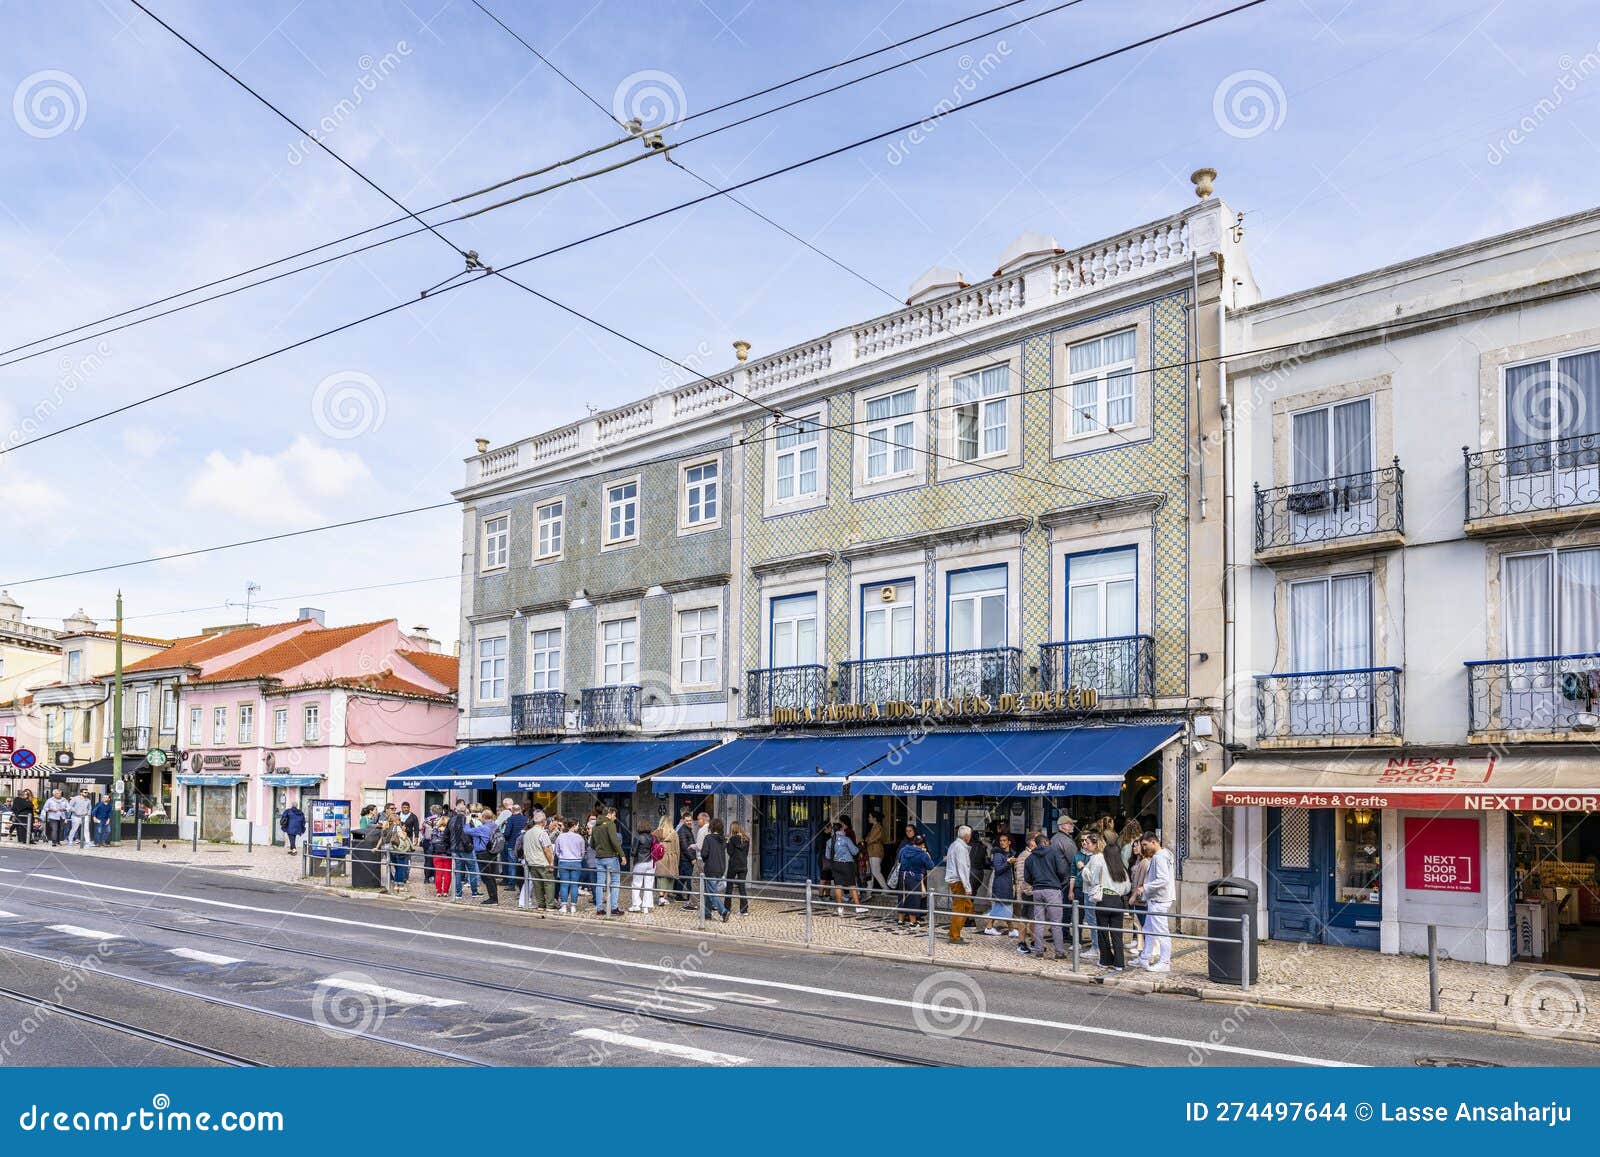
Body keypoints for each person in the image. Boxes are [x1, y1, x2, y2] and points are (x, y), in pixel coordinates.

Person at [1021, 830, 1069, 959]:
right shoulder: (1054, 853)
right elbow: (1062, 870)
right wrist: (1060, 882)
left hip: (1037, 890)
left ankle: (1039, 951)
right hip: (1053, 890)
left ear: (1036, 844)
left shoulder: (1030, 858)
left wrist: (1036, 882)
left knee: (1039, 922)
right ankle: (1059, 952)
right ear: (1046, 842)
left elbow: (1027, 878)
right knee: (1056, 923)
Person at [1132, 832, 1175, 972]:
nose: (1144, 848)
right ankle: (1144, 957)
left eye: (1145, 845)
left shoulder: (1159, 857)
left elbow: (1163, 880)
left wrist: (1145, 887)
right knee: (1148, 929)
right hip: (1159, 898)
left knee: (1161, 931)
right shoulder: (1166, 854)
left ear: (1153, 842)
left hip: (1159, 899)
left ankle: (1165, 962)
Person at [1092, 836, 1131, 971]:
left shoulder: (1102, 866)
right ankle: (1119, 963)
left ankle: (1105, 960)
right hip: (1117, 901)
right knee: (1117, 934)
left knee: (1103, 932)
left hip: (1104, 900)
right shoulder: (1123, 870)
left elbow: (1094, 880)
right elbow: (1127, 888)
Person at [589, 806, 626, 916]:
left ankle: (599, 909)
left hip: (599, 859)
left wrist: (600, 850)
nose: (615, 818)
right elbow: (615, 841)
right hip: (611, 858)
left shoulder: (595, 826)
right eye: (614, 815)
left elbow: (591, 844)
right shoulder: (610, 824)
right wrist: (622, 855)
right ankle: (614, 908)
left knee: (599, 884)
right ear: (610, 814)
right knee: (615, 882)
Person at [983, 832, 1020, 937]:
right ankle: (1009, 930)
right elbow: (998, 869)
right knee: (1005, 906)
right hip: (1001, 885)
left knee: (1004, 907)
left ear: (1009, 842)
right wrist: (1009, 862)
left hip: (1007, 884)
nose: (1002, 843)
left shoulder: (1010, 853)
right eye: (1000, 841)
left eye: (1004, 840)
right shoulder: (998, 854)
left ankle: (992, 928)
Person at [826, 822, 866, 914]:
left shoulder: (829, 841)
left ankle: (840, 908)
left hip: (835, 865)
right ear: (841, 829)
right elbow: (855, 852)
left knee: (838, 886)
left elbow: (828, 856)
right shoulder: (846, 839)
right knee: (852, 885)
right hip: (847, 865)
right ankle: (858, 907)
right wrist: (860, 846)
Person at [895, 834, 934, 926]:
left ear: (913, 841)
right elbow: (930, 866)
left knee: (902, 897)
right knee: (914, 899)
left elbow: (899, 860)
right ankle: (913, 922)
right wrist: (928, 855)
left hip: (902, 876)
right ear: (923, 844)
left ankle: (901, 920)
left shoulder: (903, 849)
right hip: (915, 877)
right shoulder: (922, 854)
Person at [944, 825, 975, 944]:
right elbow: (962, 868)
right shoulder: (960, 848)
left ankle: (953, 931)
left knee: (968, 907)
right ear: (967, 836)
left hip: (956, 880)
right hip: (959, 882)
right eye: (970, 834)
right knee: (960, 909)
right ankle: (954, 937)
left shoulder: (954, 845)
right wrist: (967, 887)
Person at [520, 813, 556, 914]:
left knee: (537, 884)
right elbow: (547, 849)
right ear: (543, 821)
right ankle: (550, 905)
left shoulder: (527, 833)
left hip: (532, 862)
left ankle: (541, 904)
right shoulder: (542, 833)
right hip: (542, 862)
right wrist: (551, 862)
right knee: (549, 884)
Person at [699, 817, 730, 922]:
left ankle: (724, 911)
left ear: (711, 827)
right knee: (708, 891)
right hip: (721, 868)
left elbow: (704, 854)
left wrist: (706, 859)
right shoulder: (723, 840)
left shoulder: (708, 838)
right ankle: (707, 914)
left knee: (711, 893)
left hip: (711, 868)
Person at [447, 803, 480, 899]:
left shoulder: (451, 820)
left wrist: (449, 846)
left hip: (454, 848)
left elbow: (446, 834)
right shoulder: (467, 820)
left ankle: (458, 894)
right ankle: (474, 892)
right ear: (465, 811)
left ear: (456, 810)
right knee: (472, 869)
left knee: (457, 871)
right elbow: (473, 832)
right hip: (466, 848)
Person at [554, 820, 587, 914]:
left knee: (564, 884)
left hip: (564, 861)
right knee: (574, 884)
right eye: (577, 825)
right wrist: (578, 858)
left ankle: (564, 906)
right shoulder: (580, 838)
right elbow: (582, 852)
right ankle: (573, 906)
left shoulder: (560, 836)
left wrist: (561, 856)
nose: (578, 827)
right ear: (574, 825)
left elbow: (557, 851)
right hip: (576, 862)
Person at [1128, 836, 1152, 960]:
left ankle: (1146, 952)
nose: (1135, 847)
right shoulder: (1136, 861)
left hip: (1140, 898)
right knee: (1139, 924)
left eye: (1138, 845)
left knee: (1144, 925)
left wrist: (1133, 896)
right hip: (1136, 896)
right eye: (1134, 845)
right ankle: (1142, 949)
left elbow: (1141, 882)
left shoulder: (1145, 862)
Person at [470, 809, 499, 905]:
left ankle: (493, 898)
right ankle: (494, 897)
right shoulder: (495, 825)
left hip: (484, 853)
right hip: (493, 852)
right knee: (491, 876)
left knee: (487, 876)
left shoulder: (484, 827)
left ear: (484, 817)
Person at [628, 820, 657, 912]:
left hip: (640, 862)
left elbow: (633, 852)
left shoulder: (638, 837)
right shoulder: (653, 837)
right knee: (648, 885)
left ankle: (636, 905)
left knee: (636, 884)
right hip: (651, 862)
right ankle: (646, 907)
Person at [653, 815, 679, 907]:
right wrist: (677, 860)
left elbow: (652, 846)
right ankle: (665, 897)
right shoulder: (674, 833)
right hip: (671, 857)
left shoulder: (656, 832)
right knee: (669, 878)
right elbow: (677, 849)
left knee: (660, 877)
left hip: (660, 857)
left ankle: (661, 898)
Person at [500, 802, 526, 894]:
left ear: (512, 811)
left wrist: (505, 838)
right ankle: (523, 883)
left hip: (511, 845)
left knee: (512, 865)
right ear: (520, 810)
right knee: (522, 865)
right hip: (523, 846)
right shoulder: (525, 819)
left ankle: (512, 884)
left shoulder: (510, 819)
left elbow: (506, 833)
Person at [726, 821, 751, 915]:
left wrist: (728, 843)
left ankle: (727, 908)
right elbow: (746, 853)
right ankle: (744, 910)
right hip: (743, 865)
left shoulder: (732, 839)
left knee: (729, 887)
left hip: (733, 865)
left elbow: (730, 852)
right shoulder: (746, 839)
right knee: (742, 888)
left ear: (732, 829)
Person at [864, 811, 889, 895]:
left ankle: (885, 888)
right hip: (872, 851)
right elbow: (868, 839)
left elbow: (870, 839)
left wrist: (867, 840)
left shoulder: (878, 827)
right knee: (871, 871)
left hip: (876, 851)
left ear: (874, 818)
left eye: (870, 817)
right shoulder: (874, 827)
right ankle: (869, 889)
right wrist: (867, 839)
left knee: (875, 871)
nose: (868, 818)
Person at [674, 809, 696, 902]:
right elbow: (684, 846)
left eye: (690, 820)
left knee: (682, 878)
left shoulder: (688, 829)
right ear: (683, 820)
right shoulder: (683, 830)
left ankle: (678, 895)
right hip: (686, 859)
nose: (689, 822)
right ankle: (689, 897)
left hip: (685, 858)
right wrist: (692, 858)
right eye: (687, 820)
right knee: (689, 879)